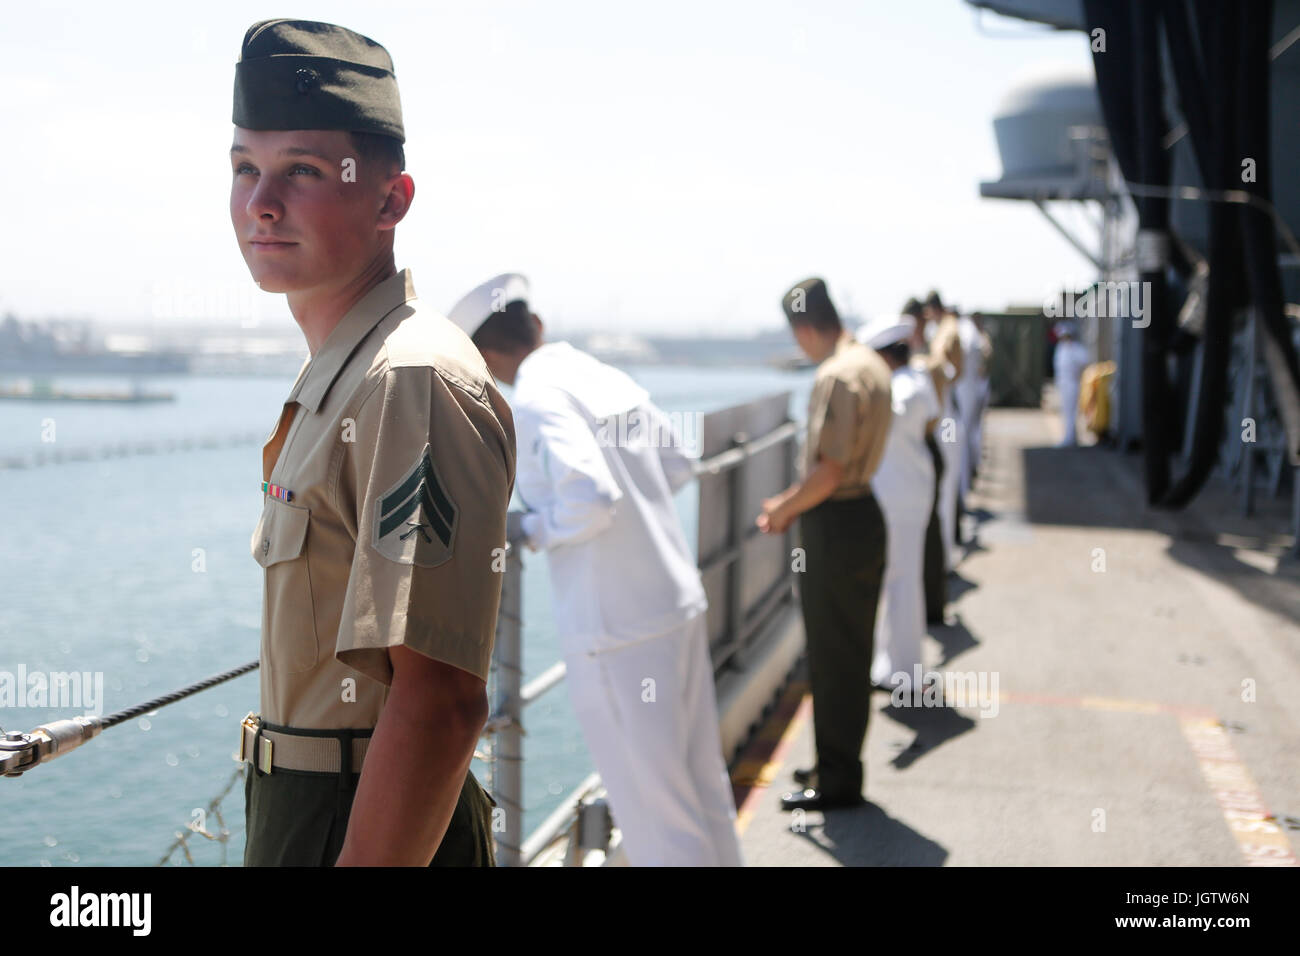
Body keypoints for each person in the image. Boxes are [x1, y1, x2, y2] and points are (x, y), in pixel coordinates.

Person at [230, 19, 516, 866]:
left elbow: (439, 700)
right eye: (245, 168)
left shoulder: (407, 378)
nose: (261, 203)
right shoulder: (347, 370)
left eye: (302, 171)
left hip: (360, 821)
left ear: (390, 199)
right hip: (313, 807)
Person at [446, 274, 743, 867]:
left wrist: (531, 528)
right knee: (703, 784)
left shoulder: (533, 396)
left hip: (616, 629)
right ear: (536, 325)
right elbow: (679, 462)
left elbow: (591, 498)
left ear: (482, 356)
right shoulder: (599, 374)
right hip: (675, 602)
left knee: (655, 812)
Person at [759, 278, 892, 811]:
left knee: (833, 654)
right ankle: (836, 762)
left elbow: (828, 472)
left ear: (805, 328)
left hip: (834, 524)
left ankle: (838, 780)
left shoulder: (836, 376)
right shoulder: (871, 363)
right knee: (850, 650)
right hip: (864, 514)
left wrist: (781, 509)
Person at [857, 316, 939, 696]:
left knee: (900, 584)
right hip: (910, 494)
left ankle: (903, 672)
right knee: (901, 581)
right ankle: (893, 666)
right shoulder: (919, 382)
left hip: (897, 499)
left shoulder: (899, 391)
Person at [919, 291, 965, 572]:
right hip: (949, 414)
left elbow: (947, 372)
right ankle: (944, 556)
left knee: (946, 490)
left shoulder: (946, 332)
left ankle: (944, 559)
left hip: (946, 419)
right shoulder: (949, 329)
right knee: (946, 490)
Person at [1053, 320, 1090, 446]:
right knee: (1066, 411)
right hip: (1063, 383)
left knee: (1071, 412)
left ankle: (1070, 438)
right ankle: (1071, 437)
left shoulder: (1076, 348)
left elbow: (1084, 361)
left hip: (1072, 382)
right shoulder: (1061, 347)